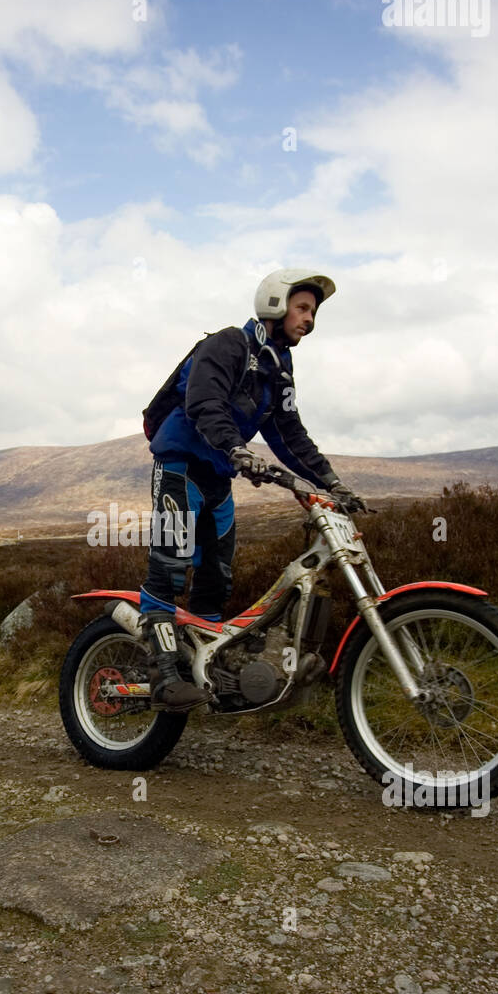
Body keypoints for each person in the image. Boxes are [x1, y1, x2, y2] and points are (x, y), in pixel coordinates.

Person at [139, 268, 365, 711]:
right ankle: (162, 676)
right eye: (303, 308)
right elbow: (204, 402)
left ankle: (203, 664)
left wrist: (332, 481)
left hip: (219, 479)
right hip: (181, 466)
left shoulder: (278, 367)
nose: (310, 319)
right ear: (276, 304)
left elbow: (289, 435)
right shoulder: (227, 344)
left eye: (314, 312)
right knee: (169, 568)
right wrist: (237, 448)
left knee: (215, 579)